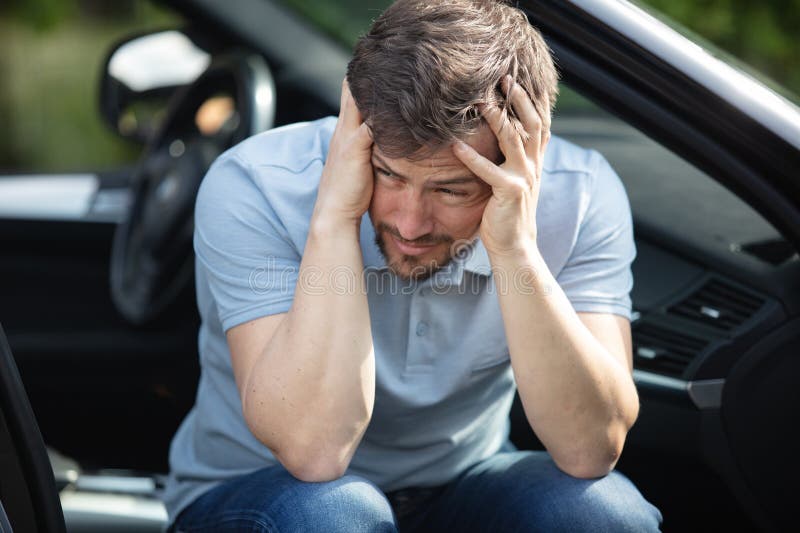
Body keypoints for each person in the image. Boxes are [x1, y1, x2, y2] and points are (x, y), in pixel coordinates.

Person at [163, 0, 662, 530]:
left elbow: (591, 450)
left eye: (452, 190)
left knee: (602, 515)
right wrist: (335, 218)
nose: (410, 224)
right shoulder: (257, 185)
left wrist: (516, 249)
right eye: (389, 175)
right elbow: (313, 453)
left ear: (523, 159)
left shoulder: (582, 196)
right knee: (335, 514)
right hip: (266, 494)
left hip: (463, 480)